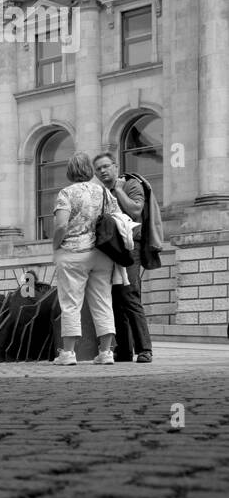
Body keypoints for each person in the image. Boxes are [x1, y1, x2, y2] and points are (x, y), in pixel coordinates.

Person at [52, 151, 123, 366]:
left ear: (70, 171)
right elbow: (118, 218)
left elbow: (62, 225)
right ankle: (106, 352)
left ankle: (68, 353)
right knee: (103, 302)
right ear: (89, 170)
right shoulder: (103, 192)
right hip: (101, 254)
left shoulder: (66, 193)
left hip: (73, 253)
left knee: (71, 303)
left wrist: (56, 245)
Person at [95, 152, 157, 363]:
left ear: (115, 166)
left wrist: (118, 190)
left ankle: (144, 349)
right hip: (110, 249)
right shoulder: (101, 193)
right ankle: (123, 350)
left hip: (131, 247)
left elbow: (136, 211)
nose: (102, 171)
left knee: (129, 296)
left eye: (105, 166)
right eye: (98, 169)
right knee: (114, 299)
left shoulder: (130, 184)